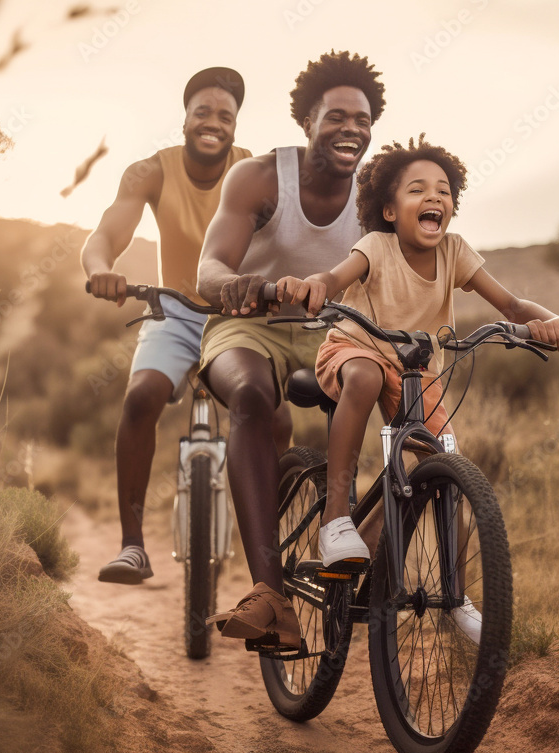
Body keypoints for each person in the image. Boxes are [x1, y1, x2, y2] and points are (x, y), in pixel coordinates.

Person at [275, 136, 559, 641]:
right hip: (353, 350)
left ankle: (455, 596)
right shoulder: (377, 246)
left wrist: (550, 319)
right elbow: (335, 275)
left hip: (414, 368)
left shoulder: (455, 251)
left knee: (444, 465)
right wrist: (317, 285)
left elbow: (513, 307)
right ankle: (335, 520)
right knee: (366, 375)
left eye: (444, 190)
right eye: (417, 189)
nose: (434, 196)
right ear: (389, 210)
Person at [198, 51, 386, 650]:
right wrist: (238, 284)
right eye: (336, 117)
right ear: (307, 121)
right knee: (252, 397)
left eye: (362, 119)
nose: (350, 129)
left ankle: (368, 542)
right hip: (253, 324)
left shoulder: (376, 192)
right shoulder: (258, 178)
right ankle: (269, 597)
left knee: (402, 408)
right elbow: (209, 267)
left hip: (337, 330)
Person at [82, 67, 255, 584]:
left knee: (274, 419)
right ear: (184, 119)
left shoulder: (252, 170)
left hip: (239, 316)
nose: (213, 123)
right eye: (202, 111)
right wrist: (101, 270)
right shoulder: (150, 171)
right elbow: (105, 234)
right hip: (174, 311)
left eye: (225, 116)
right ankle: (133, 545)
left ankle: (274, 555)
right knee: (140, 399)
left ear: (235, 127)